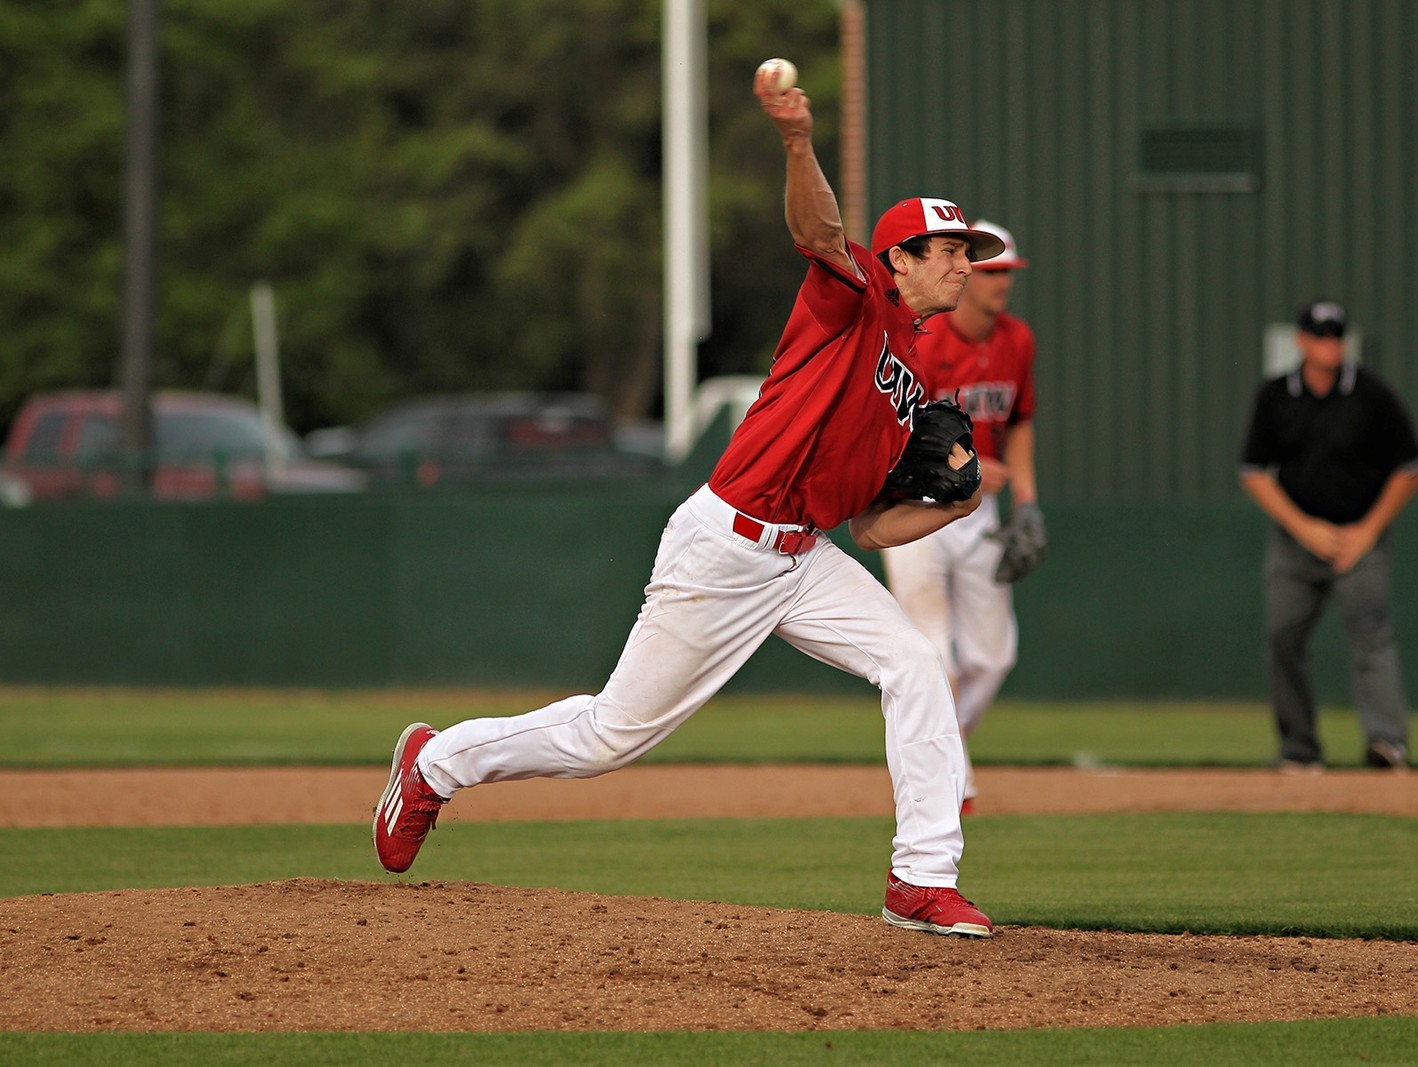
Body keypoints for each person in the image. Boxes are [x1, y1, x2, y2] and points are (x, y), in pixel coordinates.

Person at [373, 62, 1008, 938]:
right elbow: (817, 228)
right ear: (897, 257)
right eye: (943, 251)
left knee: (914, 664)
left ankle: (920, 878)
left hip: (804, 556)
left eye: (965, 254)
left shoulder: (915, 374)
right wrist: (795, 138)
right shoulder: (853, 296)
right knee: (609, 736)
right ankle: (434, 763)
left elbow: (870, 526)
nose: (960, 266)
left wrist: (955, 507)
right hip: (728, 543)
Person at [880, 220, 1043, 813]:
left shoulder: (1017, 341)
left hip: (981, 509)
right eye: (991, 271)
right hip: (916, 507)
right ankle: (951, 780)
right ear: (968, 273)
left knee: (992, 656)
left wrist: (1026, 498)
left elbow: (1020, 422)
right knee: (935, 654)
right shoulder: (927, 339)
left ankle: (940, 749)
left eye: (1007, 274)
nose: (999, 284)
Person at [1238, 299, 1418, 772]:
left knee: (1371, 639)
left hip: (1357, 540)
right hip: (1296, 541)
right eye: (1320, 336)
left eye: (1336, 336)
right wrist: (1303, 528)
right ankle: (1299, 749)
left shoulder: (1371, 395)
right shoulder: (1277, 395)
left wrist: (1366, 531)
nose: (1329, 346)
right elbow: (1253, 471)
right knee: (1283, 640)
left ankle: (1387, 744)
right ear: (1301, 341)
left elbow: (1412, 467)